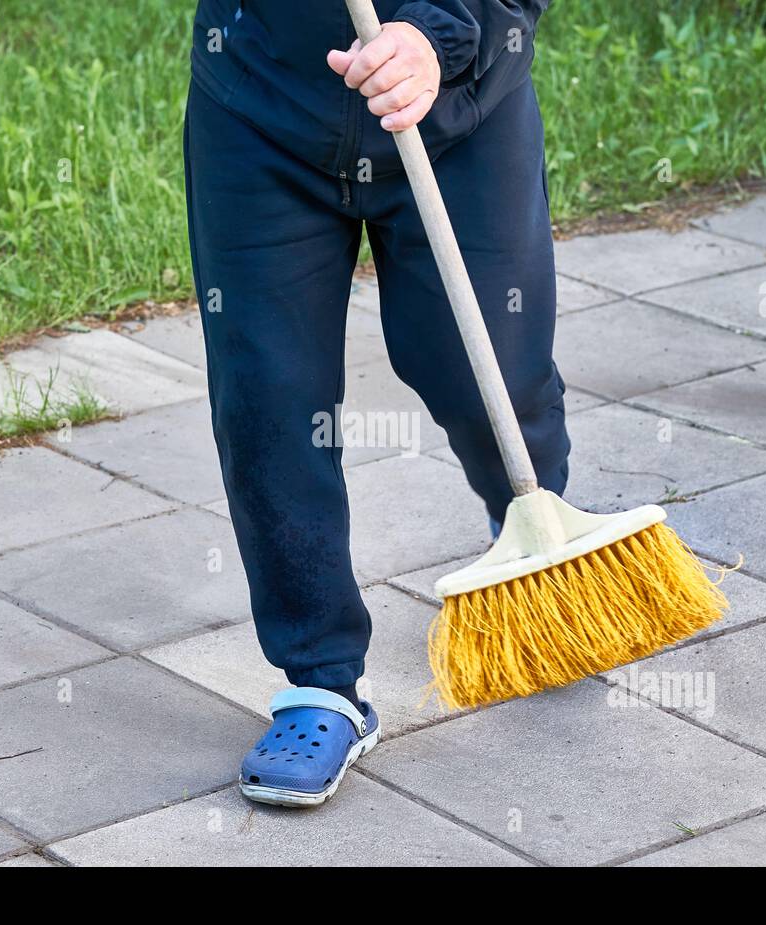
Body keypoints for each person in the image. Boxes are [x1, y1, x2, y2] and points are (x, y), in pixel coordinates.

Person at [184, 0, 565, 806]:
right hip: (264, 110)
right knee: (268, 396)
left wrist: (440, 33)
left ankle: (536, 531)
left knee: (485, 370)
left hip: (462, 112)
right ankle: (320, 682)